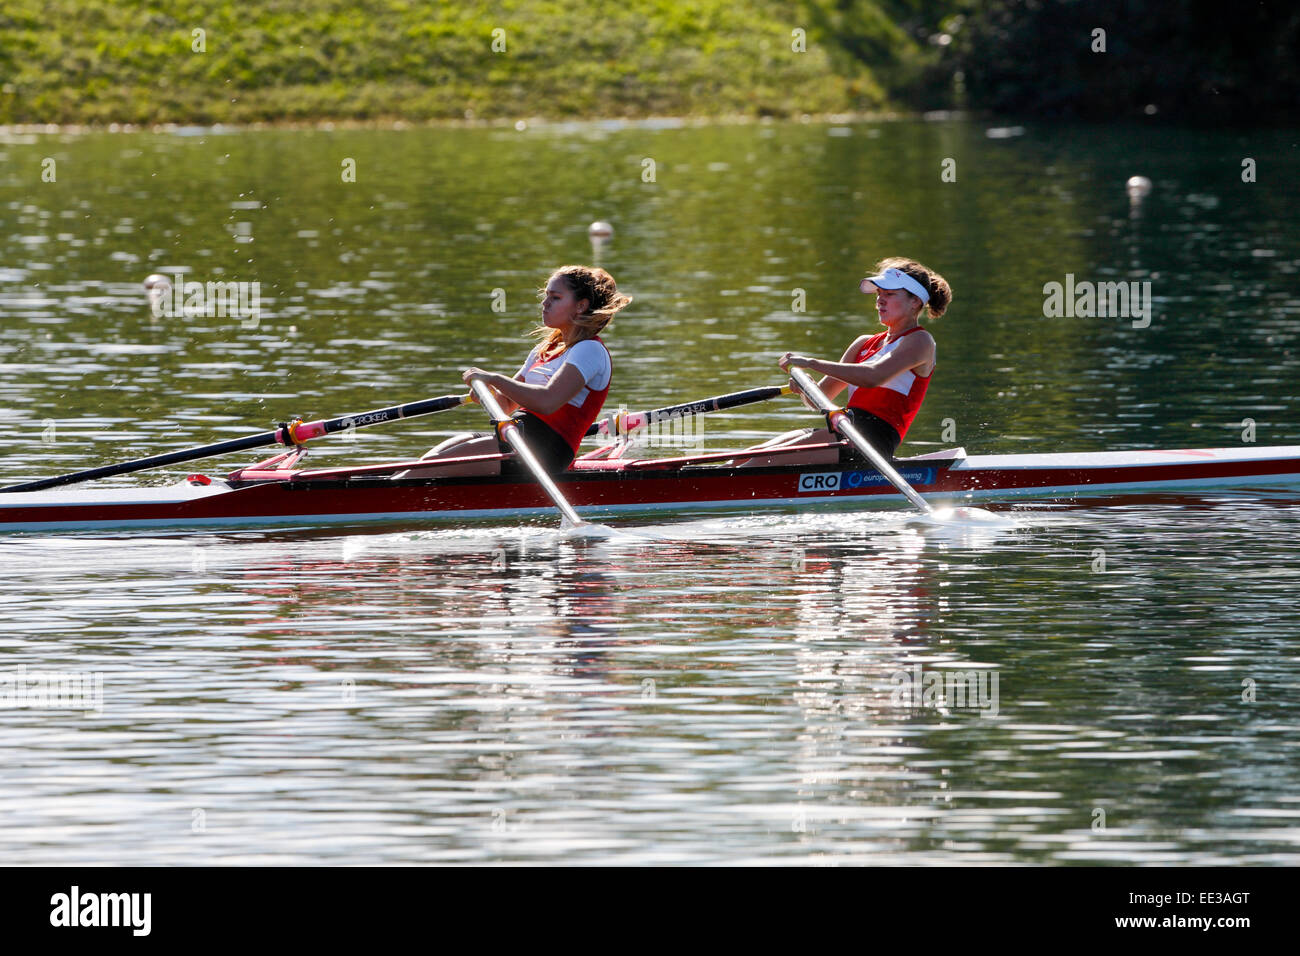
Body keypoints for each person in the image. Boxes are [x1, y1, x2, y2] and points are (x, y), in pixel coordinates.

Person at [414, 265, 631, 476]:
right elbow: (506, 405)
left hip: (544, 451)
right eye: (546, 296)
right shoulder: (545, 350)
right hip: (518, 438)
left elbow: (547, 402)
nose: (545, 304)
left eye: (555, 298)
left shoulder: (589, 349)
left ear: (581, 306)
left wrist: (494, 378)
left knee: (421, 473)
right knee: (424, 465)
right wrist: (487, 394)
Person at [766, 257, 950, 462]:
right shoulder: (863, 343)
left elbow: (873, 376)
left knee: (760, 462)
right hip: (846, 430)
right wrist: (806, 387)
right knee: (746, 458)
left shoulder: (920, 341)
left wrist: (811, 363)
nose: (880, 300)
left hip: (871, 443)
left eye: (889, 294)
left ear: (915, 301)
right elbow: (819, 398)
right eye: (879, 294)